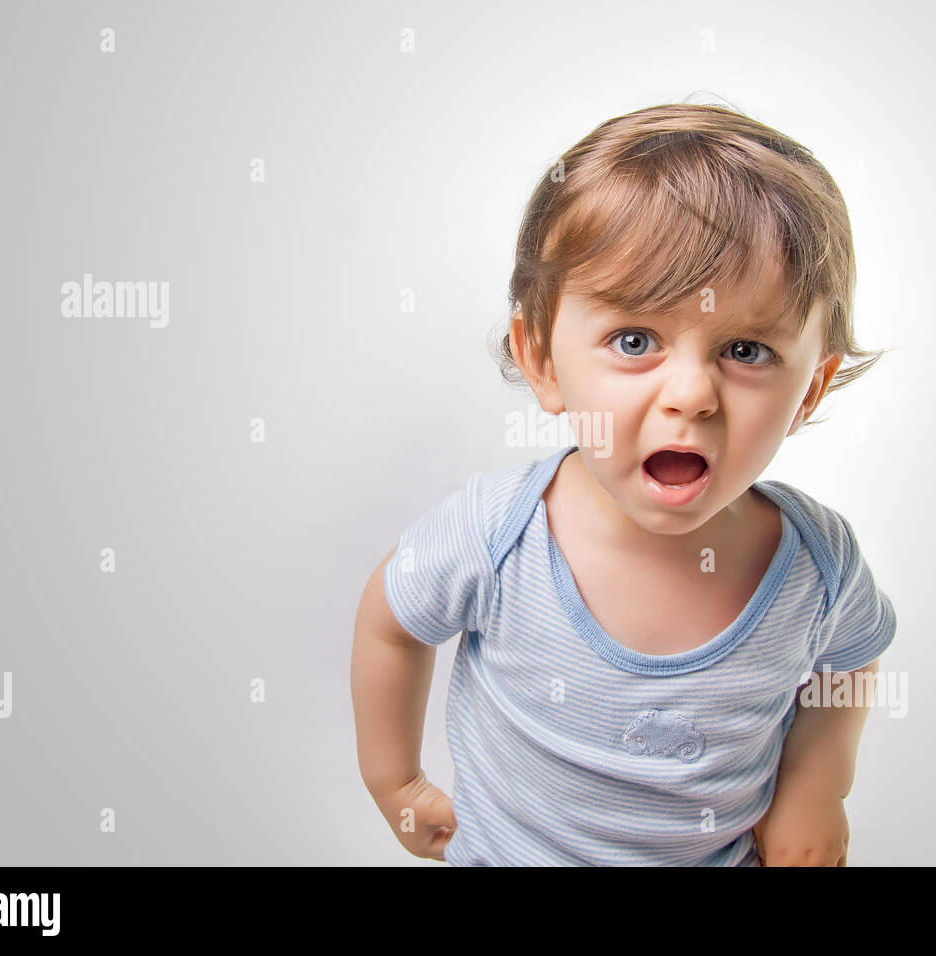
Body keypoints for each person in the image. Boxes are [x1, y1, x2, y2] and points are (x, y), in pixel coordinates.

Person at [351, 102, 897, 866]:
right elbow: (392, 622)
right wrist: (395, 782)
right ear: (542, 359)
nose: (693, 395)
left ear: (810, 391)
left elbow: (851, 658)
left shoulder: (816, 562)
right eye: (634, 341)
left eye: (747, 348)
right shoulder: (497, 536)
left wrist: (817, 783)